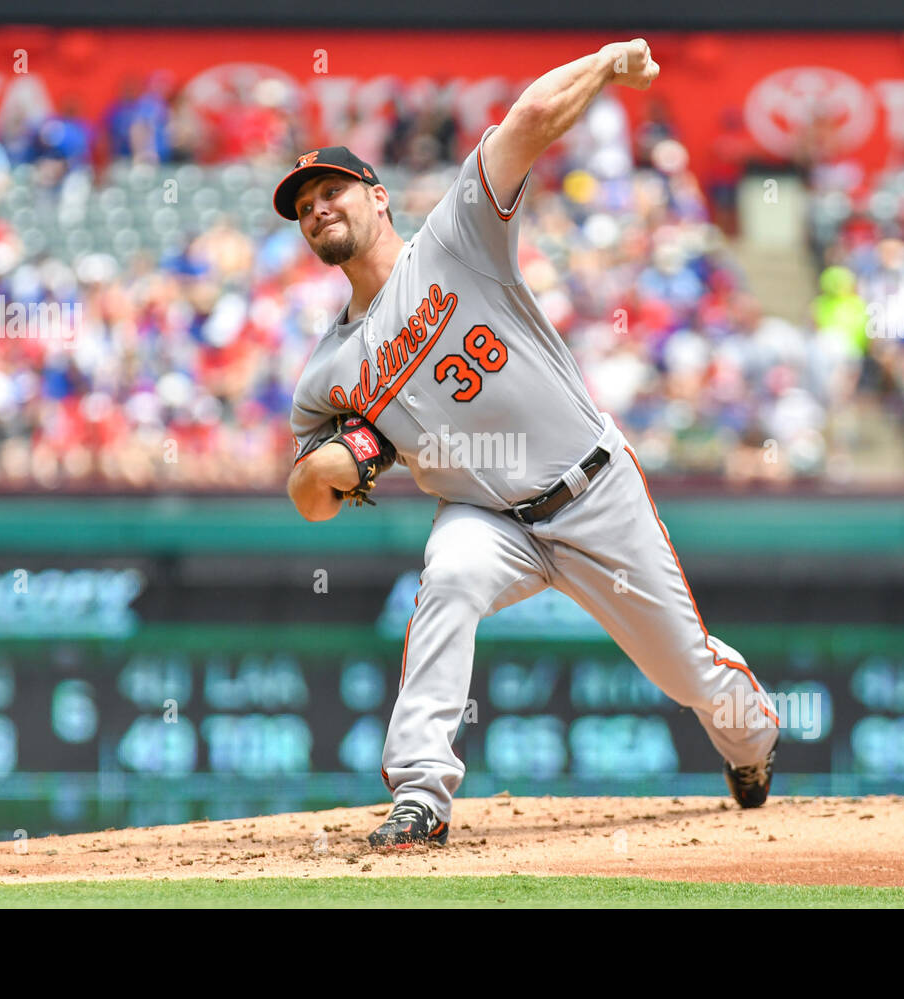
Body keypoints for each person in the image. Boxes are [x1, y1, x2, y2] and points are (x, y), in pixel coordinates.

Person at [279, 39, 779, 849]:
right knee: (447, 579)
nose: (316, 209)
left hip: (590, 490)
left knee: (684, 671)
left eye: (330, 190)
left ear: (377, 198)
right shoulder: (327, 372)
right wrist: (345, 462)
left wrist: (613, 58)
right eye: (303, 207)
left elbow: (534, 116)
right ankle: (421, 797)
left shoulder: (455, 240)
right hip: (486, 518)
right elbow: (309, 501)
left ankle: (753, 742)